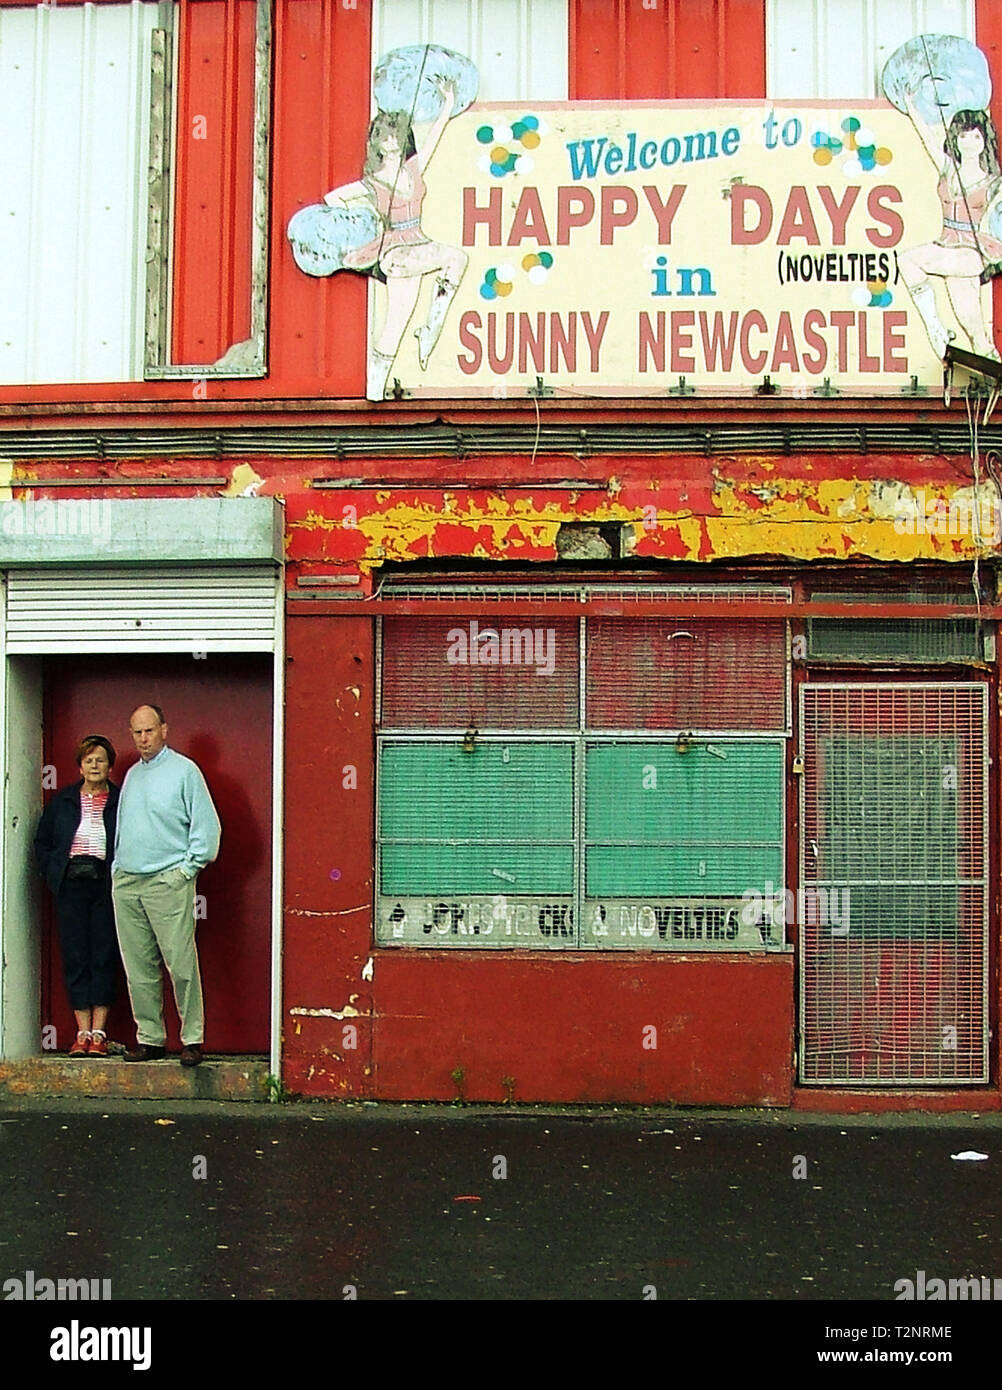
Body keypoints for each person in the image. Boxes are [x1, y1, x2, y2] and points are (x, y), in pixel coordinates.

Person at [330, 76, 468, 399]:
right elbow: (333, 200)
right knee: (456, 257)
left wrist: (447, 105)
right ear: (376, 143)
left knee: (396, 323)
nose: (391, 143)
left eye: (396, 136)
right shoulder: (372, 182)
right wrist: (359, 223)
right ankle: (429, 331)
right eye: (385, 138)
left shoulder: (413, 169)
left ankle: (375, 388)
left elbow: (433, 139)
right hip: (396, 251)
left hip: (418, 245)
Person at [111, 705, 221, 1067]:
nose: (143, 739)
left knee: (180, 962)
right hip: (128, 882)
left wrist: (185, 871)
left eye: (149, 731)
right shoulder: (131, 776)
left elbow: (207, 830)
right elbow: (125, 827)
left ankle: (192, 1038)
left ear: (164, 730)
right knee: (138, 967)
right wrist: (117, 869)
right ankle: (150, 1038)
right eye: (137, 732)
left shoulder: (185, 771)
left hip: (167, 880)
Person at [33, 736, 121, 1057]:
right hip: (70, 886)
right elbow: (42, 841)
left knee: (103, 953)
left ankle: (99, 1033)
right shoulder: (64, 801)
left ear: (110, 765)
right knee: (75, 955)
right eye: (88, 760)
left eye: (100, 760)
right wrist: (52, 871)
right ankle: (81, 1032)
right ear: (80, 765)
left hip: (106, 886)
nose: (94, 765)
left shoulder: (120, 801)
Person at [900, 104, 1002, 360]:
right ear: (955, 137)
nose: (969, 142)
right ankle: (989, 361)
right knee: (972, 325)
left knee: (907, 259)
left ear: (984, 141)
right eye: (963, 135)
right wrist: (912, 106)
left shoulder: (993, 182)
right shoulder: (948, 168)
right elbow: (926, 137)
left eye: (976, 136)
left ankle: (937, 332)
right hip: (945, 245)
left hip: (972, 251)